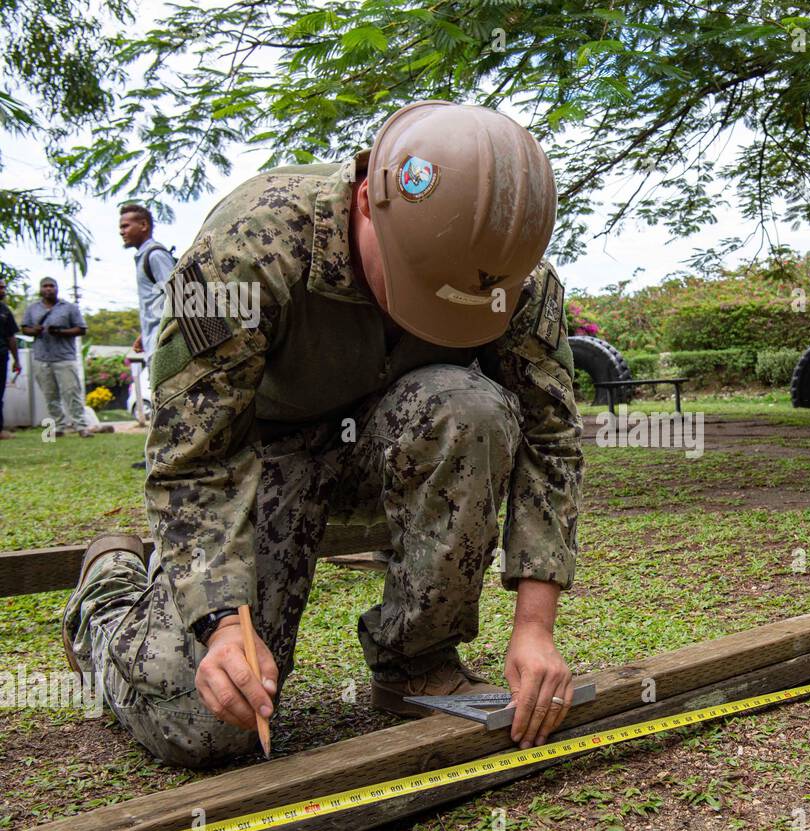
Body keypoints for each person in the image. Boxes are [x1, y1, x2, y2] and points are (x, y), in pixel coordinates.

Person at [61, 101, 584, 769]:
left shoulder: (510, 273)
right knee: (207, 721)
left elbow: (551, 439)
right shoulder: (248, 248)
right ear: (368, 201)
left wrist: (535, 628)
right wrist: (224, 627)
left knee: (471, 407)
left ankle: (416, 659)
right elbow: (195, 455)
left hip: (387, 449)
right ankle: (106, 593)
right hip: (262, 462)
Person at [119, 203, 176, 464]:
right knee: (158, 399)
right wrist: (145, 335)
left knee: (165, 399)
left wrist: (165, 334)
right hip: (153, 339)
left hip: (165, 342)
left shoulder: (155, 255)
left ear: (144, 225)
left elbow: (179, 295)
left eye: (126, 225)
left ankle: (165, 455)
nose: (122, 231)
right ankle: (157, 454)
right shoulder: (143, 257)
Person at [20, 277, 92, 437]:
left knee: (71, 392)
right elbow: (24, 329)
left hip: (64, 357)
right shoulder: (32, 309)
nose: (48, 289)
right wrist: (35, 331)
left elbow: (82, 329)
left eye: (51, 286)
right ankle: (58, 426)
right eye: (45, 286)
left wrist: (60, 332)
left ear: (57, 288)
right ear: (40, 289)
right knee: (50, 394)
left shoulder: (69, 308)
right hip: (42, 358)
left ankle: (81, 426)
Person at [0, 277, 20, 439]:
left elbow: (11, 337)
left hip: (1, 356)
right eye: (0, 288)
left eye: (3, 288)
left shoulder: (5, 311)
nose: (3, 291)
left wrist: (17, 360)